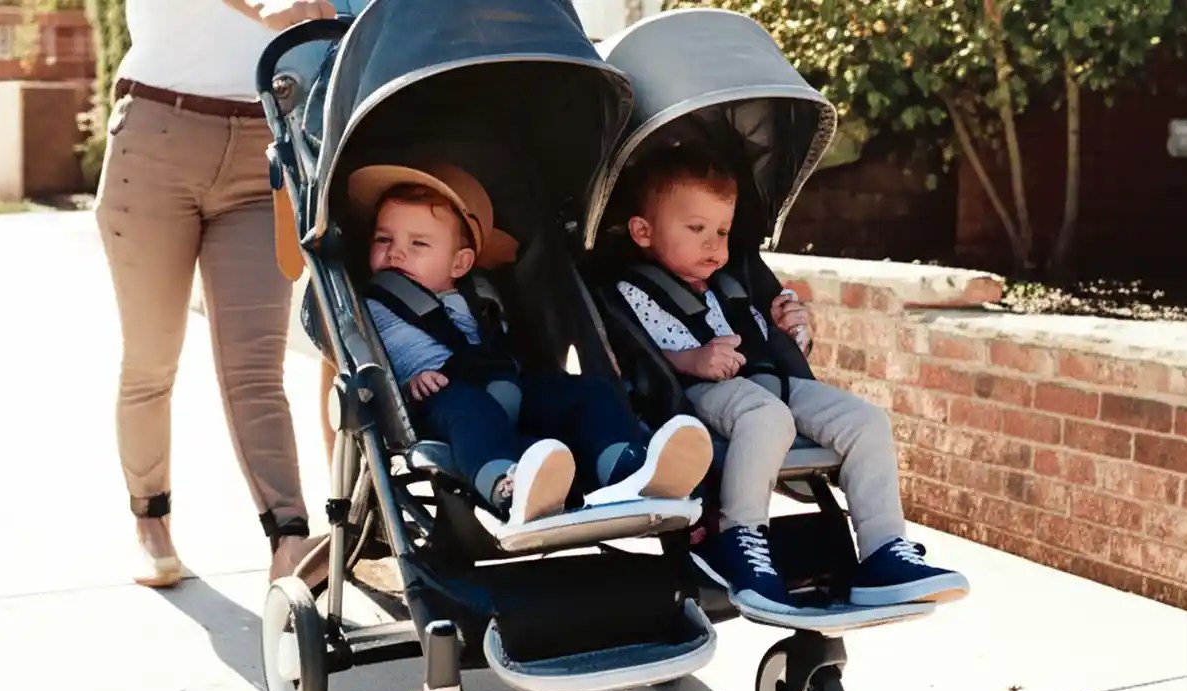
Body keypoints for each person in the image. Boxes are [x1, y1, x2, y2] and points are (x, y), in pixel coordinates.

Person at [614, 146, 970, 612]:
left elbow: (768, 341)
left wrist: (786, 329)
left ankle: (883, 550)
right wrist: (692, 359)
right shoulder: (635, 289)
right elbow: (635, 353)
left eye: (722, 231)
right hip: (695, 392)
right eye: (696, 229)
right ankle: (739, 538)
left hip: (769, 383)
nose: (713, 245)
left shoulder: (733, 281)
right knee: (768, 419)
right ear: (643, 231)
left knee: (867, 422)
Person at [95, 0, 338, 588]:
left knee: (256, 368)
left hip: (263, 147)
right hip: (155, 137)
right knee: (151, 359)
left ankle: (290, 539)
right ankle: (151, 521)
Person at [341, 161, 714, 529]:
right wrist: (405, 386)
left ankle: (625, 466)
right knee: (469, 410)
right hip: (438, 401)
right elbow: (361, 357)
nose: (396, 252)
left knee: (589, 394)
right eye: (383, 239)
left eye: (418, 243)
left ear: (460, 263)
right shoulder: (373, 303)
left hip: (508, 390)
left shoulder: (482, 296)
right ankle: (508, 487)